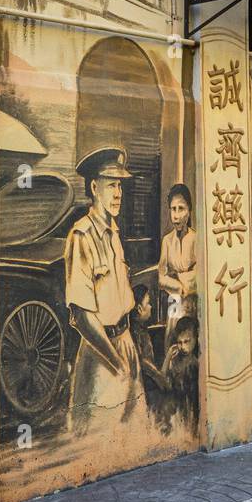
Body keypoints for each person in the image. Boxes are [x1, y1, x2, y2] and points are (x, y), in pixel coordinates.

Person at [64, 146, 141, 434]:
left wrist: (127, 358)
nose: (118, 193)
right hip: (101, 354)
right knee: (98, 430)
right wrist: (117, 364)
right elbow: (83, 315)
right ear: (95, 188)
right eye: (111, 185)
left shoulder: (114, 232)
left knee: (132, 429)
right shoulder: (81, 237)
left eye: (120, 185)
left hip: (125, 341)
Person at [158, 183, 197, 335]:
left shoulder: (196, 239)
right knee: (173, 340)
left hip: (193, 303)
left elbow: (201, 276)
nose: (176, 215)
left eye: (181, 209)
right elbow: (161, 277)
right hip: (174, 302)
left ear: (189, 210)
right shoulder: (167, 241)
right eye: (173, 209)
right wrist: (177, 286)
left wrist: (177, 276)